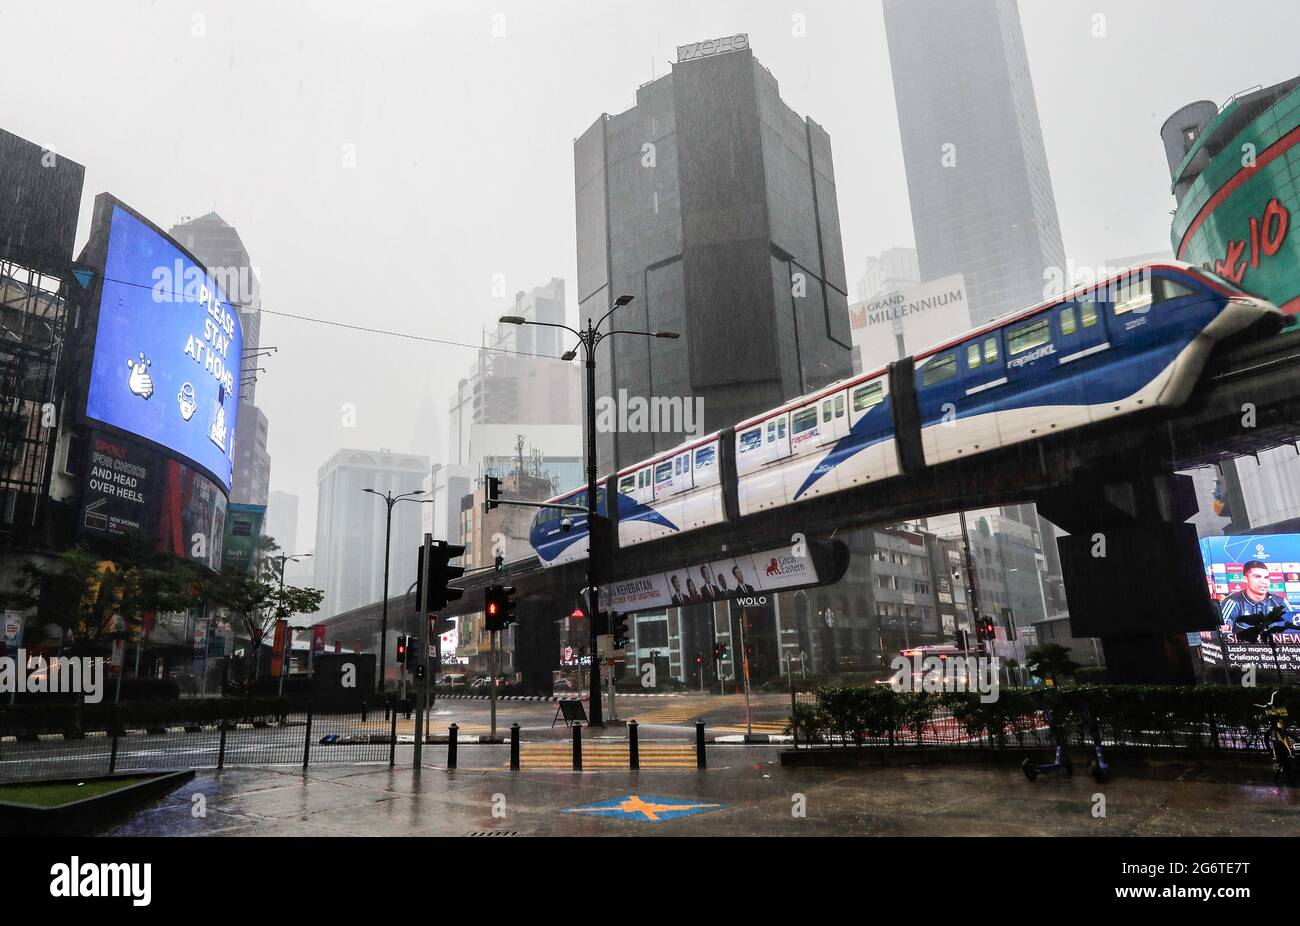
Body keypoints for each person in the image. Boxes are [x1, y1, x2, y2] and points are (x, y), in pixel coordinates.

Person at [1220, 560, 1295, 632]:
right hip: (1243, 645)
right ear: (1245, 579)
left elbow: (1293, 631)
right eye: (1257, 577)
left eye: (1266, 577)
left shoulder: (1281, 602)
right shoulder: (1232, 602)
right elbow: (1222, 632)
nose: (1263, 582)